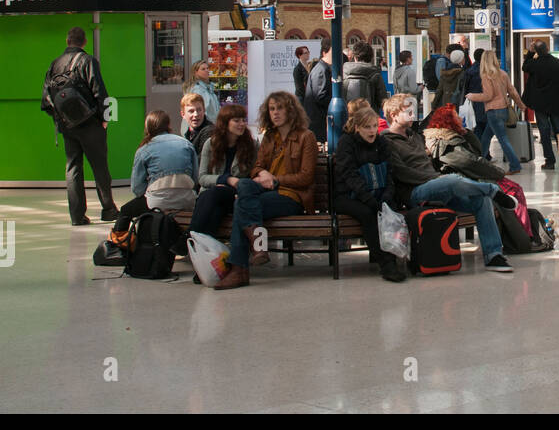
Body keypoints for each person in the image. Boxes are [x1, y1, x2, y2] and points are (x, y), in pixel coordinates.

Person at [381, 93, 517, 273]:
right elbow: (401, 172)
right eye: (407, 111)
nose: (412, 115)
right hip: (414, 192)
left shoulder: (415, 136)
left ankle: (493, 255)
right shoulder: (387, 142)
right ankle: (493, 190)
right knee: (453, 181)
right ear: (393, 115)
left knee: (481, 199)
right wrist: (435, 179)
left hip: (436, 187)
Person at [215, 91, 319, 290]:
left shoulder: (307, 137)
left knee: (241, 205)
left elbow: (306, 176)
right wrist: (262, 174)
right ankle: (256, 241)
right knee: (244, 186)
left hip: (292, 196)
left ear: (291, 110)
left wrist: (276, 180)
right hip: (265, 192)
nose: (275, 113)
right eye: (272, 109)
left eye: (280, 108)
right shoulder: (269, 137)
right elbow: (256, 167)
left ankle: (239, 269)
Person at [41, 26, 117, 226]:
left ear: (67, 41)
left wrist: (62, 119)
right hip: (90, 123)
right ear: (84, 42)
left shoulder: (54, 64)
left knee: (73, 168)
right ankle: (108, 209)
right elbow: (100, 92)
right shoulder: (87, 61)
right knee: (100, 166)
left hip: (67, 126)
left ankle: (77, 215)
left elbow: (46, 100)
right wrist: (105, 118)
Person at [333, 104, 406, 282]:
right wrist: (368, 198)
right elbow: (348, 174)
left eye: (374, 125)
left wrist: (387, 195)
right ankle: (386, 264)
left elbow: (389, 171)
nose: (372, 130)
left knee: (391, 208)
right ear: (357, 128)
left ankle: (396, 258)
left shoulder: (381, 142)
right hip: (347, 195)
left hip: (378, 191)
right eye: (367, 127)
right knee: (369, 213)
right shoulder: (346, 143)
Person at [111, 111, 199, 234]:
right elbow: (195, 178)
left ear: (147, 127)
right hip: (187, 200)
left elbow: (137, 188)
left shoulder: (144, 149)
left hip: (157, 201)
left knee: (125, 211)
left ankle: (117, 245)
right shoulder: (185, 144)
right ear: (168, 125)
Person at [188, 105, 257, 254]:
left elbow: (254, 175)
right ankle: (204, 260)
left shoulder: (251, 146)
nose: (241, 124)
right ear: (225, 123)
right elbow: (202, 178)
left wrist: (232, 183)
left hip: (235, 196)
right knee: (215, 212)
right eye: (236, 120)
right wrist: (226, 179)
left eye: (243, 120)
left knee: (212, 195)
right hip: (212, 199)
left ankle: (190, 239)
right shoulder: (211, 144)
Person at [465, 52, 525, 174]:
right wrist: (521, 105)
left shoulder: (487, 76)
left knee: (502, 139)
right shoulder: (503, 74)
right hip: (504, 109)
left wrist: (472, 96)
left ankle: (515, 165)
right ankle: (480, 162)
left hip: (493, 111)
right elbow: (512, 91)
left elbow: (488, 95)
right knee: (486, 136)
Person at [522, 39, 559, 170]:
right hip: (556, 103)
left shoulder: (534, 64)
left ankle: (550, 161)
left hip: (540, 104)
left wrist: (530, 53)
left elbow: (525, 67)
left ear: (536, 51)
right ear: (547, 49)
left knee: (544, 132)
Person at [341, 40, 387, 114]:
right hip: (369, 116)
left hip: (348, 115)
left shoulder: (343, 72)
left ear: (354, 56)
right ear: (371, 57)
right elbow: (382, 100)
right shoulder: (375, 74)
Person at [305, 37, 332, 143]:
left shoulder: (324, 68)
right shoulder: (321, 70)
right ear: (324, 53)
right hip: (318, 122)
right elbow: (320, 96)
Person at [184, 59, 220, 124]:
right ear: (195, 72)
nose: (207, 71)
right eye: (203, 69)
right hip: (203, 126)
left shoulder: (209, 87)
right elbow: (200, 110)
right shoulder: (197, 89)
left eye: (207, 68)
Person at [465, 49, 488, 144]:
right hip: (486, 101)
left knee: (478, 128)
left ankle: (480, 152)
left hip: (473, 102)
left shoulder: (469, 71)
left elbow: (466, 88)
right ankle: (484, 153)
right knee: (487, 130)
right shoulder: (487, 71)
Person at [433, 45, 466, 110]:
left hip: (447, 102)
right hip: (458, 103)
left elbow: (439, 90)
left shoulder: (445, 73)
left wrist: (434, 105)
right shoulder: (463, 73)